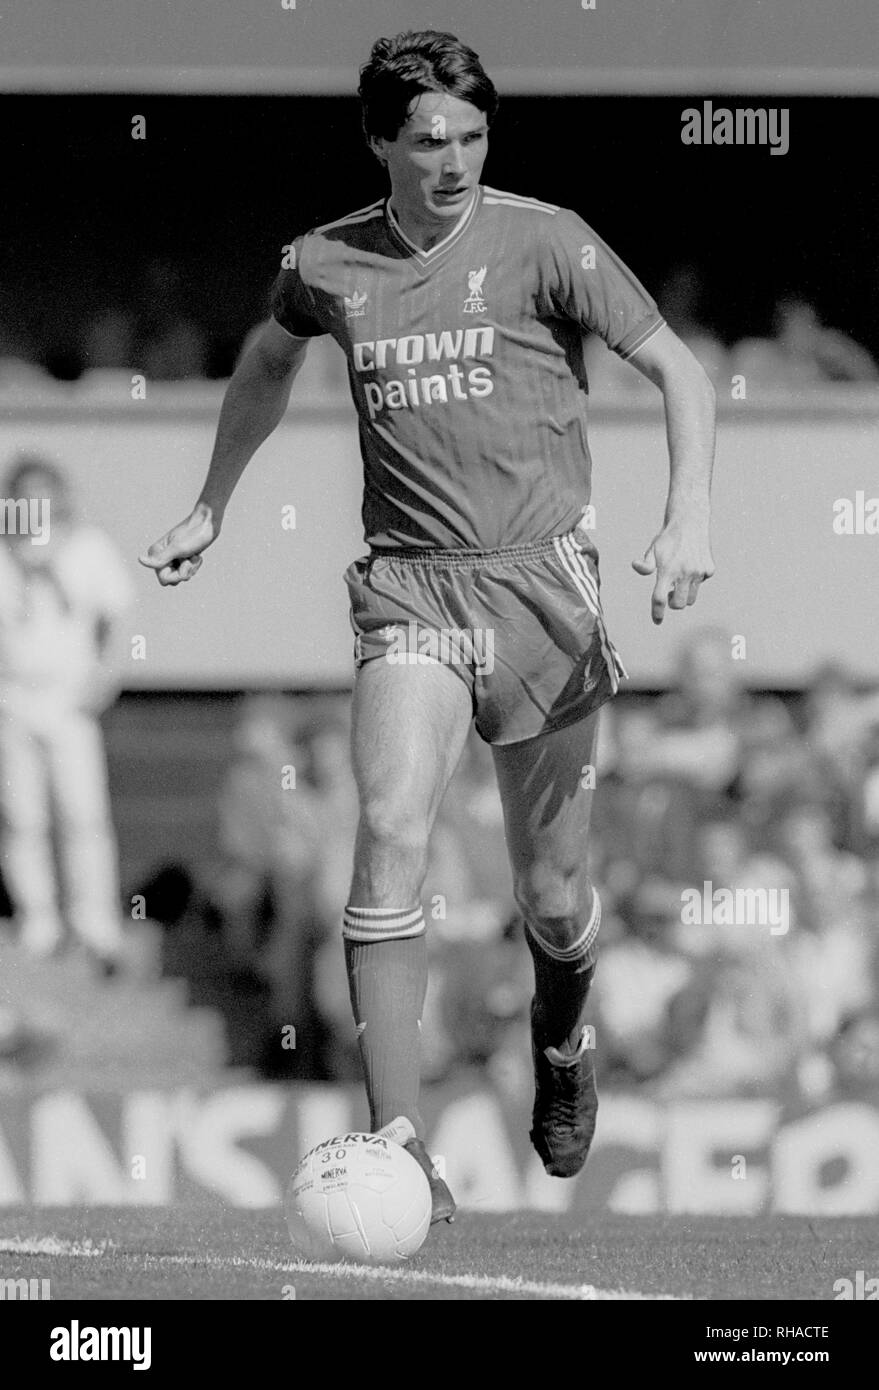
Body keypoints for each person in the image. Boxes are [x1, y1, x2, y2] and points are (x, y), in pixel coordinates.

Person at [141, 30, 715, 1225]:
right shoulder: (326, 262)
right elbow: (263, 361)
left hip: (543, 589)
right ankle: (396, 1135)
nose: (452, 160)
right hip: (411, 586)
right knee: (389, 824)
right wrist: (210, 504)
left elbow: (681, 374)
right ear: (380, 143)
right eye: (427, 140)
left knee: (553, 897)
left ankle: (564, 1041)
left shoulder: (548, 238)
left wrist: (688, 518)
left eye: (471, 136)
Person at [0, 455, 133, 966]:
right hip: (13, 697)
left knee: (83, 813)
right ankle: (38, 920)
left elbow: (117, 611)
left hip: (69, 698)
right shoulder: (4, 549)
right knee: (22, 816)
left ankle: (95, 921)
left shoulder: (87, 546)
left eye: (44, 492)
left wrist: (107, 674)